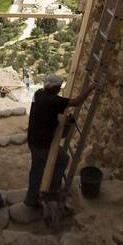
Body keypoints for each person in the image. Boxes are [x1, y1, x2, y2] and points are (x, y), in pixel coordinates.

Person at [23, 72, 97, 208]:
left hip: (33, 140)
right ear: (55, 88)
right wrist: (91, 88)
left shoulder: (38, 94)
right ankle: (52, 190)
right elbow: (77, 102)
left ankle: (31, 199)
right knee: (63, 159)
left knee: (37, 168)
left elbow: (45, 112)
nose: (59, 90)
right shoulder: (54, 100)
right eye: (59, 88)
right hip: (43, 144)